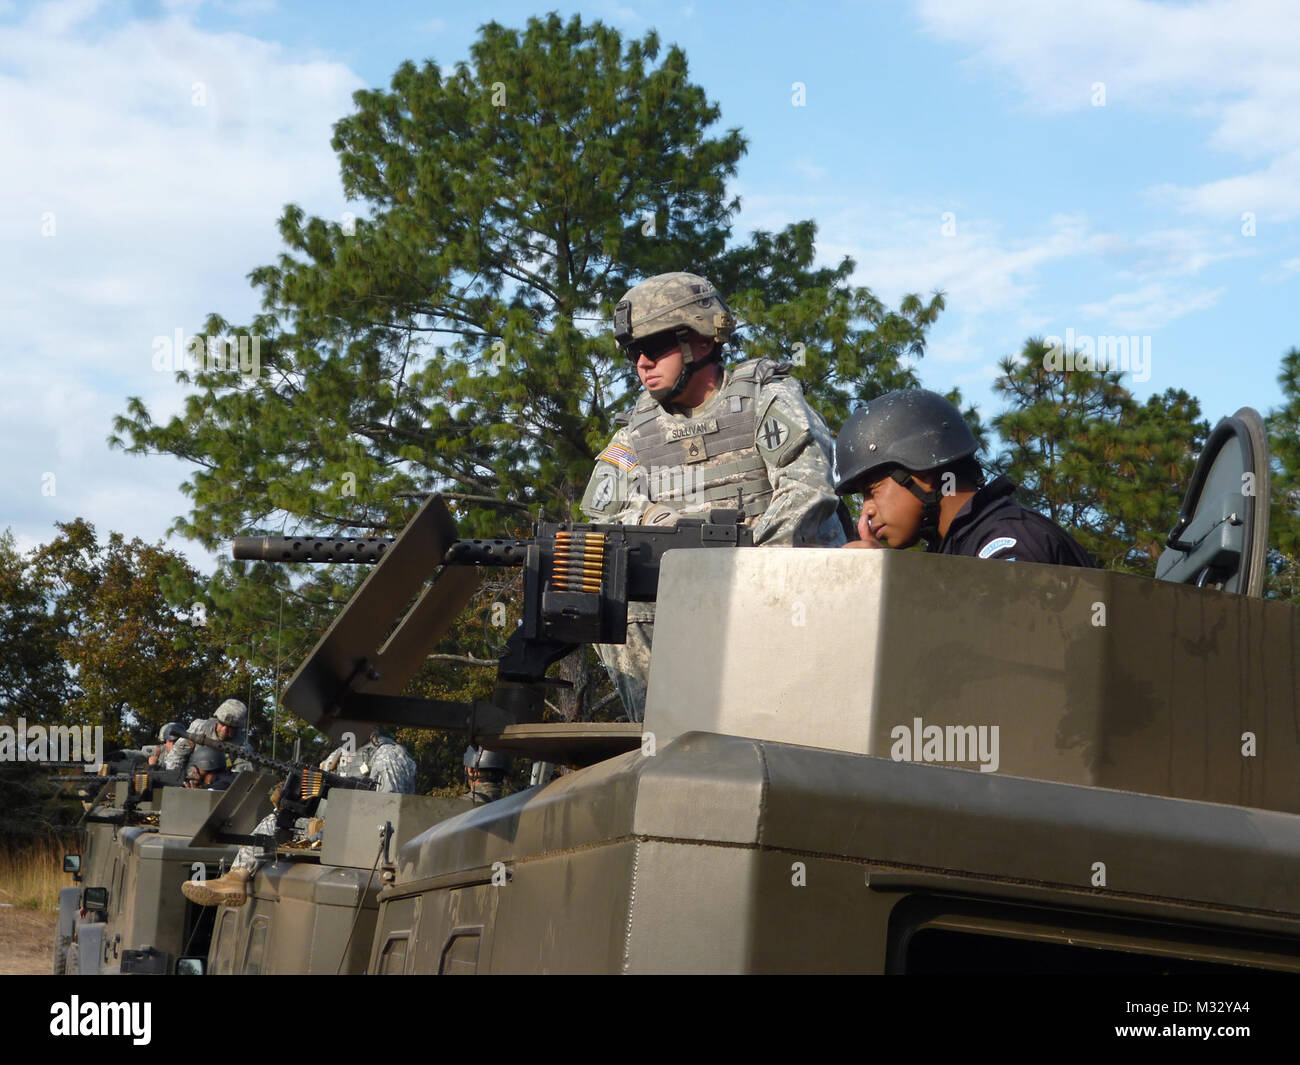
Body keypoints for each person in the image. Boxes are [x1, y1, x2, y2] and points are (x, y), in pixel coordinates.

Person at [580, 272, 847, 719]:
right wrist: (652, 521)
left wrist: (742, 566)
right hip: (696, 611)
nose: (642, 362)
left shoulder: (767, 399)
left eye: (656, 345)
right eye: (633, 352)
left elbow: (807, 493)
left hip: (790, 601)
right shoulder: (637, 434)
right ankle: (667, 737)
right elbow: (604, 517)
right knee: (612, 602)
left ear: (701, 341)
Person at [833, 388, 1093, 566]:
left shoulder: (1007, 542)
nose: (865, 512)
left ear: (922, 469)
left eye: (872, 489)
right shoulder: (955, 549)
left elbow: (999, 643)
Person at [180, 729, 417, 908]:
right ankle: (234, 877)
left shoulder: (388, 755)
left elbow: (389, 809)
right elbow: (317, 793)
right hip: (331, 829)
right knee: (276, 819)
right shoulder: (339, 754)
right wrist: (293, 796)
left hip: (363, 838)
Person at [165, 698, 253, 773]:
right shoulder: (199, 729)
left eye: (231, 727)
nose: (224, 730)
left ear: (238, 728)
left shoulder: (242, 747)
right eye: (222, 724)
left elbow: (239, 777)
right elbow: (176, 756)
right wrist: (175, 780)